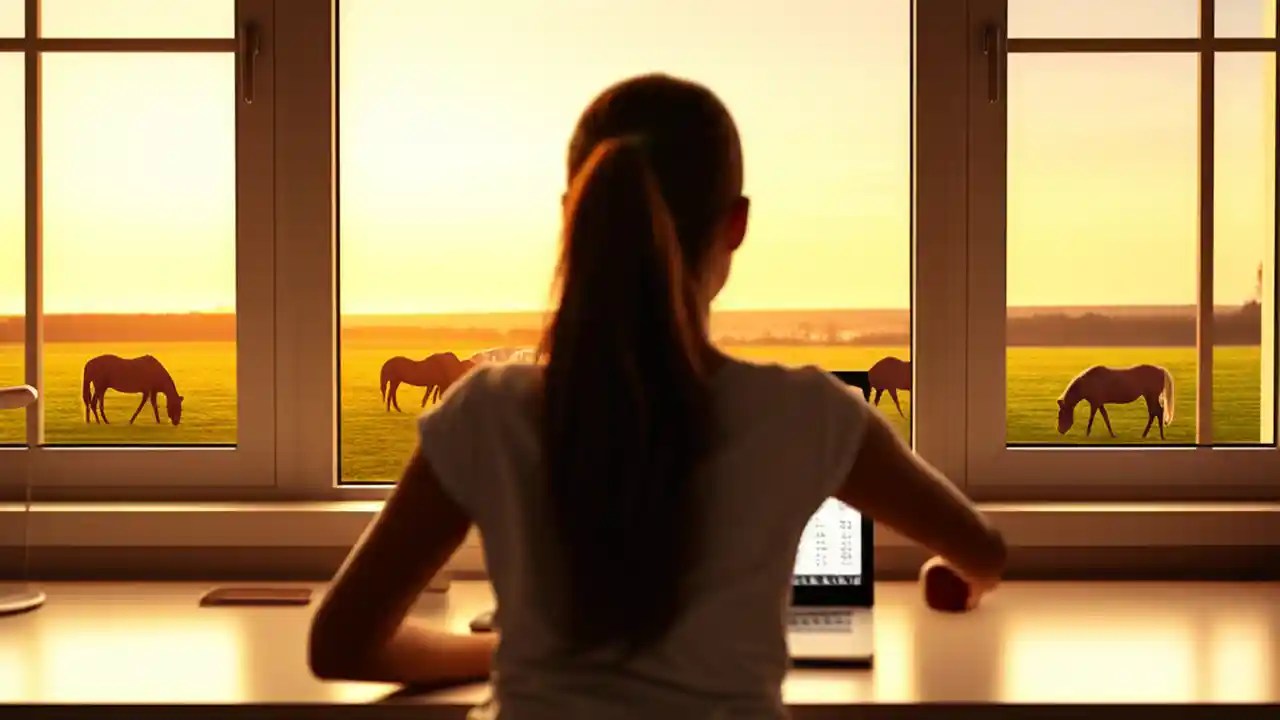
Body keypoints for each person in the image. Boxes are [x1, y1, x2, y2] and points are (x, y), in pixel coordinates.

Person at [308, 73, 1006, 719]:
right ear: (736, 225)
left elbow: (343, 645)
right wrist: (959, 577)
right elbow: (983, 552)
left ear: (572, 214)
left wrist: (516, 649)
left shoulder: (486, 411)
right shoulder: (810, 415)